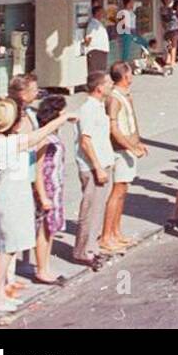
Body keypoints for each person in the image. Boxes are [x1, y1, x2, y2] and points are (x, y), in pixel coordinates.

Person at [0, 95, 75, 312]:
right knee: (7, 249)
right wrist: (63, 118)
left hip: (1, 197)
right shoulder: (7, 144)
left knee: (1, 246)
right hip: (10, 199)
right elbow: (37, 136)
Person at [71, 72, 115, 270]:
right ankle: (83, 252)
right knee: (90, 210)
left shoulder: (98, 107)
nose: (111, 84)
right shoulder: (88, 109)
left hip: (102, 164)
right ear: (99, 87)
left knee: (97, 210)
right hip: (92, 167)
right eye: (108, 82)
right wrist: (98, 168)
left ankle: (92, 248)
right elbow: (85, 141)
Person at [103, 61, 146, 254]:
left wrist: (137, 143)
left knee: (123, 191)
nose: (132, 76)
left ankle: (116, 232)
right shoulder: (115, 98)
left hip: (128, 149)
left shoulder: (124, 95)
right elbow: (114, 128)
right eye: (130, 73)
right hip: (120, 150)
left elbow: (130, 123)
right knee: (117, 191)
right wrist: (131, 147)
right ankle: (106, 236)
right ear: (125, 76)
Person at [32, 95, 69, 287]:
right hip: (47, 189)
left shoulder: (52, 135)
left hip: (55, 187)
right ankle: (41, 269)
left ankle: (45, 266)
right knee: (44, 228)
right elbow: (37, 169)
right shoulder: (44, 139)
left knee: (51, 229)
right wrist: (43, 196)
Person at [82, 4, 110, 78]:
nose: (104, 14)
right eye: (102, 12)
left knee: (101, 73)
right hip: (95, 52)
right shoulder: (92, 24)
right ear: (97, 13)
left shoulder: (99, 24)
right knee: (95, 73)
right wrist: (86, 47)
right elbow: (88, 38)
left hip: (101, 51)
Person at [116, 0, 139, 66]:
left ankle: (128, 63)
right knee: (126, 49)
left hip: (132, 32)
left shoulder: (131, 11)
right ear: (128, 3)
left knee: (131, 49)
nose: (133, 4)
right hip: (127, 33)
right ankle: (124, 64)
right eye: (132, 2)